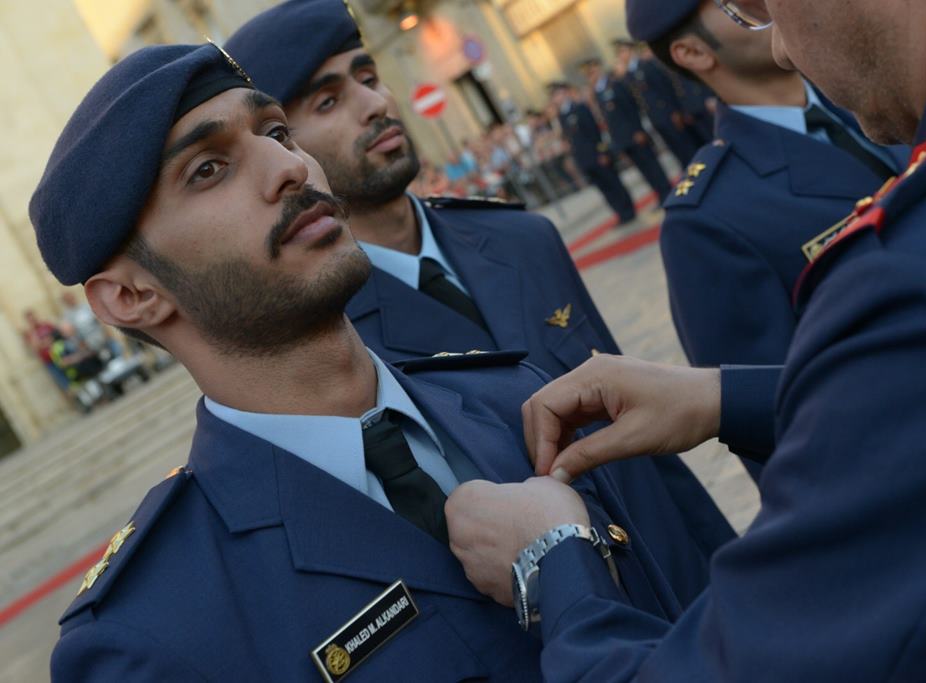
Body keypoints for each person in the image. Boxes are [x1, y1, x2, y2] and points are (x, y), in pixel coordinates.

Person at [35, 43, 700, 682]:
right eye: (208, 168)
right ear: (130, 295)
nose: (289, 167)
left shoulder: (519, 401)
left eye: (275, 131)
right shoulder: (151, 632)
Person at [444, 0, 926, 679]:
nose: (779, 49)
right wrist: (728, 396)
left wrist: (553, 559)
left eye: (761, 5)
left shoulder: (914, 273)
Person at [226, 0, 736, 586]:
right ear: (286, 151)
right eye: (329, 100)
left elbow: (645, 445)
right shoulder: (334, 335)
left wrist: (730, 570)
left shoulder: (522, 238)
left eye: (368, 78)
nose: (376, 104)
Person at [630, 0, 906, 370]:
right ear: (694, 52)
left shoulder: (884, 91)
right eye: (734, 4)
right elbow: (771, 401)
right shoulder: (706, 221)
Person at [581, 57, 674, 203]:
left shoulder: (615, 84)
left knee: (652, 165)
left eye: (592, 72)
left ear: (599, 70)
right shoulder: (598, 93)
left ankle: (667, 192)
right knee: (643, 170)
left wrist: (638, 130)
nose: (591, 77)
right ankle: (660, 195)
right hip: (622, 139)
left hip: (634, 134)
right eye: (588, 75)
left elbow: (631, 108)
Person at [549, 81, 637, 224]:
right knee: (603, 188)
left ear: (565, 94)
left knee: (613, 182)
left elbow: (594, 132)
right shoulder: (561, 117)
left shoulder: (580, 108)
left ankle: (629, 210)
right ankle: (620, 213)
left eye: (557, 95)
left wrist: (602, 152)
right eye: (553, 96)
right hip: (584, 159)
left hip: (596, 155)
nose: (555, 99)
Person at [613, 38, 703, 168]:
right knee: (677, 151)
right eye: (618, 54)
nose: (620, 56)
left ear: (630, 51)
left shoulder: (646, 65)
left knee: (687, 146)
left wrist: (676, 111)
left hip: (668, 113)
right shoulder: (628, 75)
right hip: (655, 118)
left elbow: (664, 88)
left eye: (622, 52)